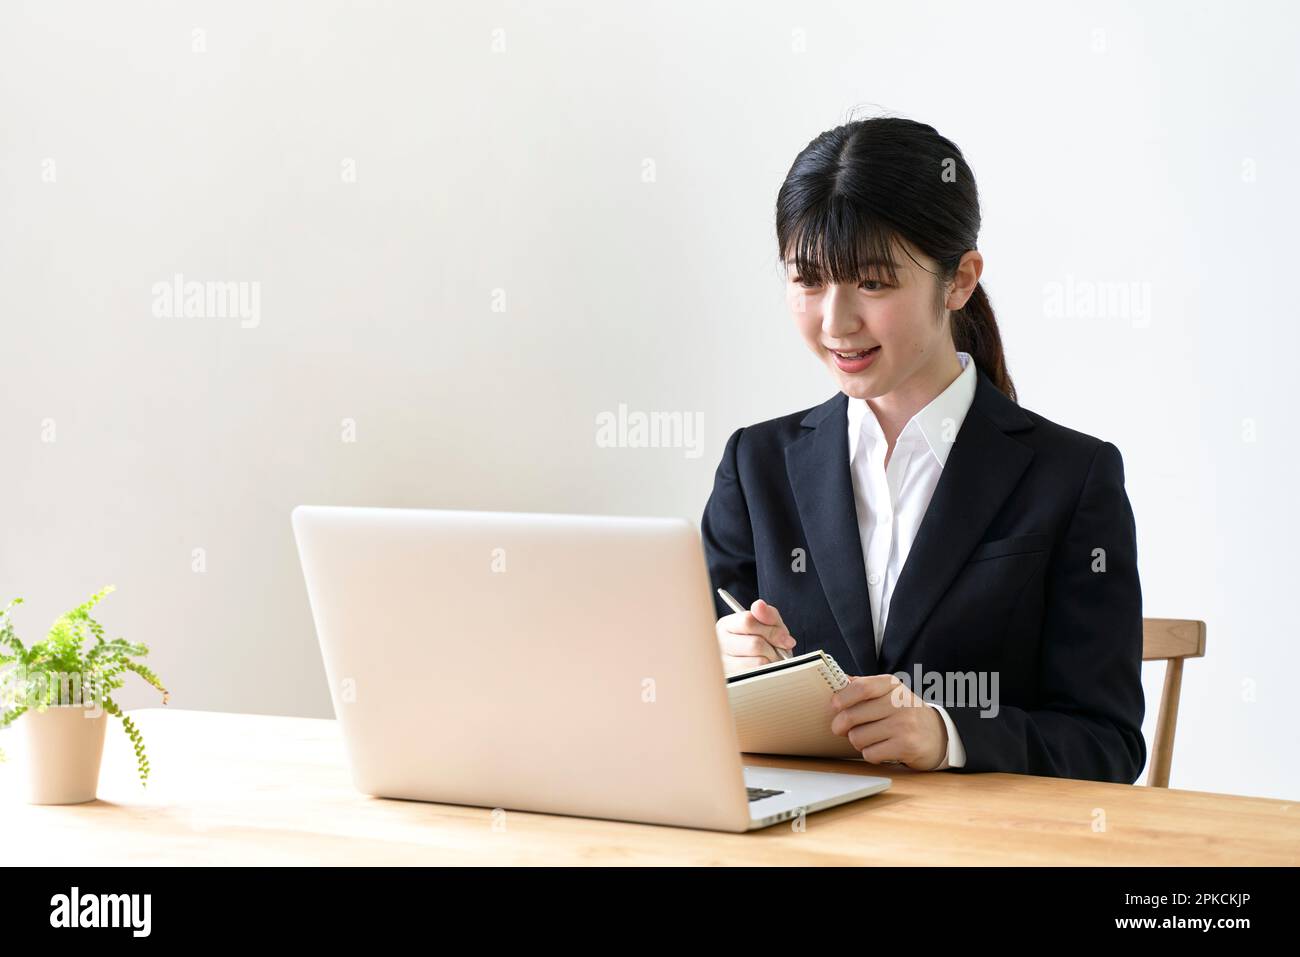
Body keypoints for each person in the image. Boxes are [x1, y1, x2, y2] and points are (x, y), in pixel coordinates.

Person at [702, 116, 1146, 783]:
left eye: (873, 284)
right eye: (808, 280)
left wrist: (948, 734)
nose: (835, 321)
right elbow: (665, 701)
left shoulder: (1072, 478)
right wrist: (714, 662)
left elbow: (1106, 744)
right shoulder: (755, 464)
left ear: (960, 279)